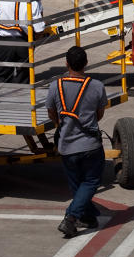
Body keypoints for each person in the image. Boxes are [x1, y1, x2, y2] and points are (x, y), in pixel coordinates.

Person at [45, 45, 107, 238]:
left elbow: (51, 112)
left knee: (77, 185)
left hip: (67, 146)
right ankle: (71, 218)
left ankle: (88, 216)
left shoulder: (56, 85)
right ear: (86, 64)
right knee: (90, 181)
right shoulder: (97, 86)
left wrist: (61, 125)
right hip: (90, 145)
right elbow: (100, 114)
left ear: (66, 63)